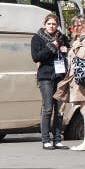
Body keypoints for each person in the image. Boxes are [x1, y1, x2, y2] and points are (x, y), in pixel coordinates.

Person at [54, 15, 85, 151]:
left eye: (78, 26)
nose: (75, 29)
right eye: (74, 26)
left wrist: (76, 46)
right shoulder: (81, 39)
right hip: (82, 80)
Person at [31, 13, 70, 150]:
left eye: (54, 24)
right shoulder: (37, 38)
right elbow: (36, 57)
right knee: (48, 108)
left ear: (57, 25)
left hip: (60, 76)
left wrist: (66, 50)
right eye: (49, 24)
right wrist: (52, 46)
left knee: (59, 110)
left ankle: (58, 139)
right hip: (45, 76)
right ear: (45, 24)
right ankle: (45, 139)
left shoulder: (62, 38)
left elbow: (69, 52)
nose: (52, 26)